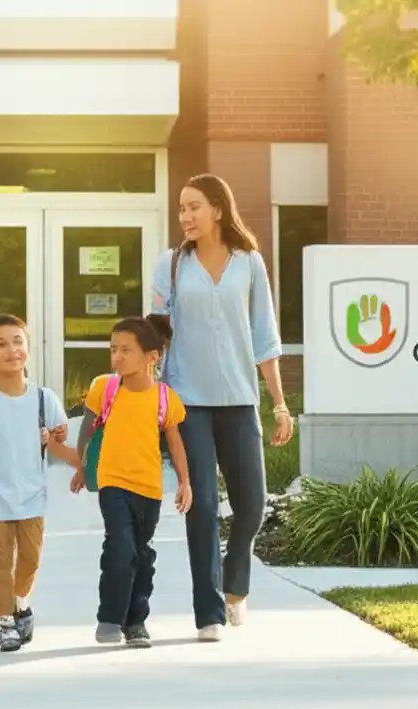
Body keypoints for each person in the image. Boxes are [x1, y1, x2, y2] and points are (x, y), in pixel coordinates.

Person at [151, 173, 293, 642]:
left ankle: (236, 586)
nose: (185, 216)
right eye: (181, 209)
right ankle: (209, 611)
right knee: (204, 506)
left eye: (194, 207)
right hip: (187, 402)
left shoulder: (249, 263)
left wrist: (279, 404)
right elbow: (157, 335)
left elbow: (264, 336)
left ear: (217, 208)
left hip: (239, 400)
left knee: (252, 504)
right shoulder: (169, 264)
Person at [0, 314, 75, 652]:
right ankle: (6, 621)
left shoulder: (43, 398)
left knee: (31, 558)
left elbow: (58, 439)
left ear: (28, 349)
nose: (11, 350)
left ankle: (21, 602)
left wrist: (76, 459)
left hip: (32, 494)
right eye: (1, 344)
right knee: (0, 560)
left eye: (18, 341)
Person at [71, 315, 192, 648]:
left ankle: (135, 621)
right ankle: (110, 618)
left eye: (126, 350)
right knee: (119, 547)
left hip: (149, 487)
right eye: (113, 350)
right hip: (112, 482)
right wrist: (82, 467)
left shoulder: (165, 398)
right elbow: (87, 430)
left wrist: (185, 482)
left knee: (141, 554)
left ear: (152, 356)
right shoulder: (104, 388)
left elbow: (176, 442)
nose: (117, 357)